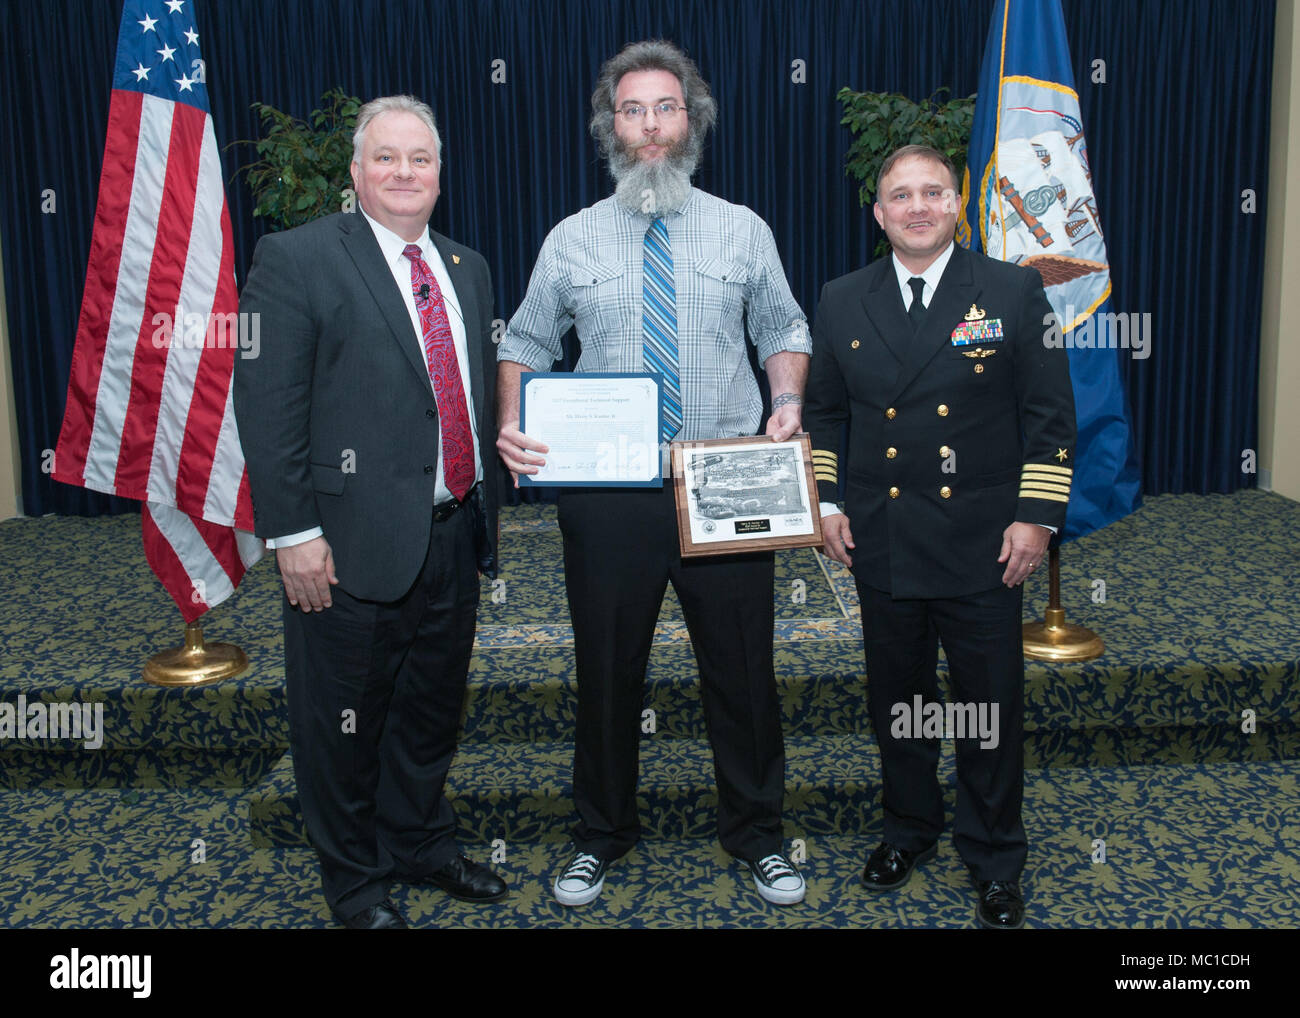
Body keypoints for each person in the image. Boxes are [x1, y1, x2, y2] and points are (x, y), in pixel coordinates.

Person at [496, 40, 811, 907]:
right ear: (610, 128)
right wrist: (511, 422)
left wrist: (785, 402)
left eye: (664, 107)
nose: (650, 125)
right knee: (606, 670)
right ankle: (599, 834)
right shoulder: (572, 239)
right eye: (632, 110)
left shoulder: (743, 227)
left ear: (692, 120)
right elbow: (523, 341)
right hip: (611, 493)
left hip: (725, 482)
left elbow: (785, 327)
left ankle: (758, 834)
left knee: (743, 671)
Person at [233, 95, 506, 929]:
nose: (403, 174)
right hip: (342, 549)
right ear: (356, 174)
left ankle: (421, 843)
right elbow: (266, 406)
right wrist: (294, 533)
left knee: (428, 710)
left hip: (452, 534)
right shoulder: (295, 258)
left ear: (439, 172)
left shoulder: (467, 267)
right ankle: (354, 881)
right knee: (341, 724)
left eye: (419, 159)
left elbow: (456, 397)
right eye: (385, 158)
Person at [804, 144, 1076, 929]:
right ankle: (909, 828)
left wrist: (1037, 517)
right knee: (901, 698)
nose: (916, 207)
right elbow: (824, 413)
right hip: (881, 538)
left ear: (957, 204)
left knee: (986, 706)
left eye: (932, 193)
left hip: (984, 540)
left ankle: (993, 854)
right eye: (900, 195)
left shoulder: (1011, 289)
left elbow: (1050, 419)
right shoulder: (842, 298)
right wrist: (824, 500)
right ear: (879, 211)